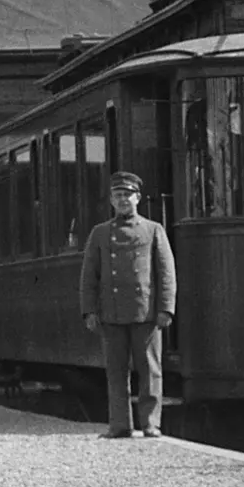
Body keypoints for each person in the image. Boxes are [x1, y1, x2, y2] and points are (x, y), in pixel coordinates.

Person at [77, 167, 179, 438]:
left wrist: (165, 308)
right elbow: (89, 276)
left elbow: (166, 272)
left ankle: (150, 423)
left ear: (138, 198)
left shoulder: (153, 230)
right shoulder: (99, 234)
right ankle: (120, 425)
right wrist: (89, 310)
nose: (123, 200)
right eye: (118, 195)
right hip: (112, 313)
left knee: (150, 370)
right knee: (116, 372)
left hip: (144, 311)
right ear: (111, 200)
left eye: (128, 195)